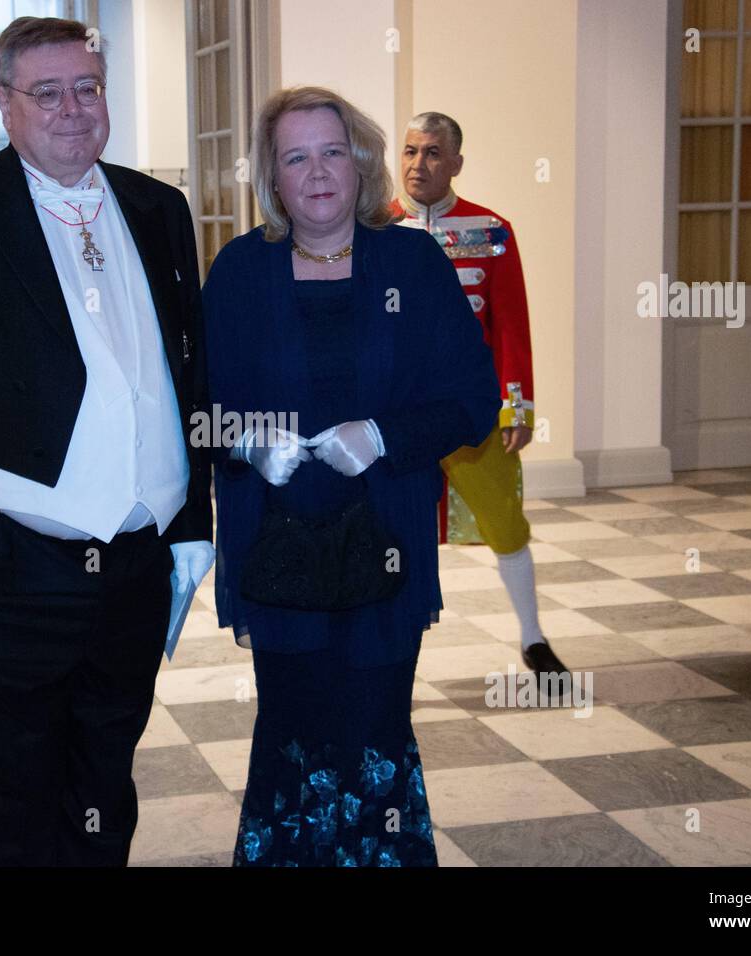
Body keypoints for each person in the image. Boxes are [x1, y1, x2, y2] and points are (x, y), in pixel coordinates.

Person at [0, 16, 214, 866]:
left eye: (87, 88)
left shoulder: (157, 206)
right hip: (15, 565)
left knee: (105, 781)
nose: (71, 109)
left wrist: (193, 516)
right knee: (15, 793)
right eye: (46, 92)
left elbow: (186, 370)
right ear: (5, 105)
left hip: (134, 561)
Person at [203, 87, 500, 867]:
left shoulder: (411, 261)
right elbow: (194, 409)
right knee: (294, 732)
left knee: (374, 726)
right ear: (272, 176)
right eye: (295, 156)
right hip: (279, 551)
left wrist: (383, 435)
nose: (318, 171)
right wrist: (244, 440)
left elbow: (475, 399)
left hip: (386, 547)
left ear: (360, 160)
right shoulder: (239, 271)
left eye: (332, 151)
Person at [392, 111, 569, 681]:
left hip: (473, 407)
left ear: (457, 163)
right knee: (399, 531)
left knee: (504, 521)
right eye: (411, 151)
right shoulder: (375, 227)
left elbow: (511, 324)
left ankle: (533, 637)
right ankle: (397, 656)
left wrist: (517, 405)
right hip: (398, 413)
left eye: (433, 153)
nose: (419, 165)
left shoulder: (492, 230)